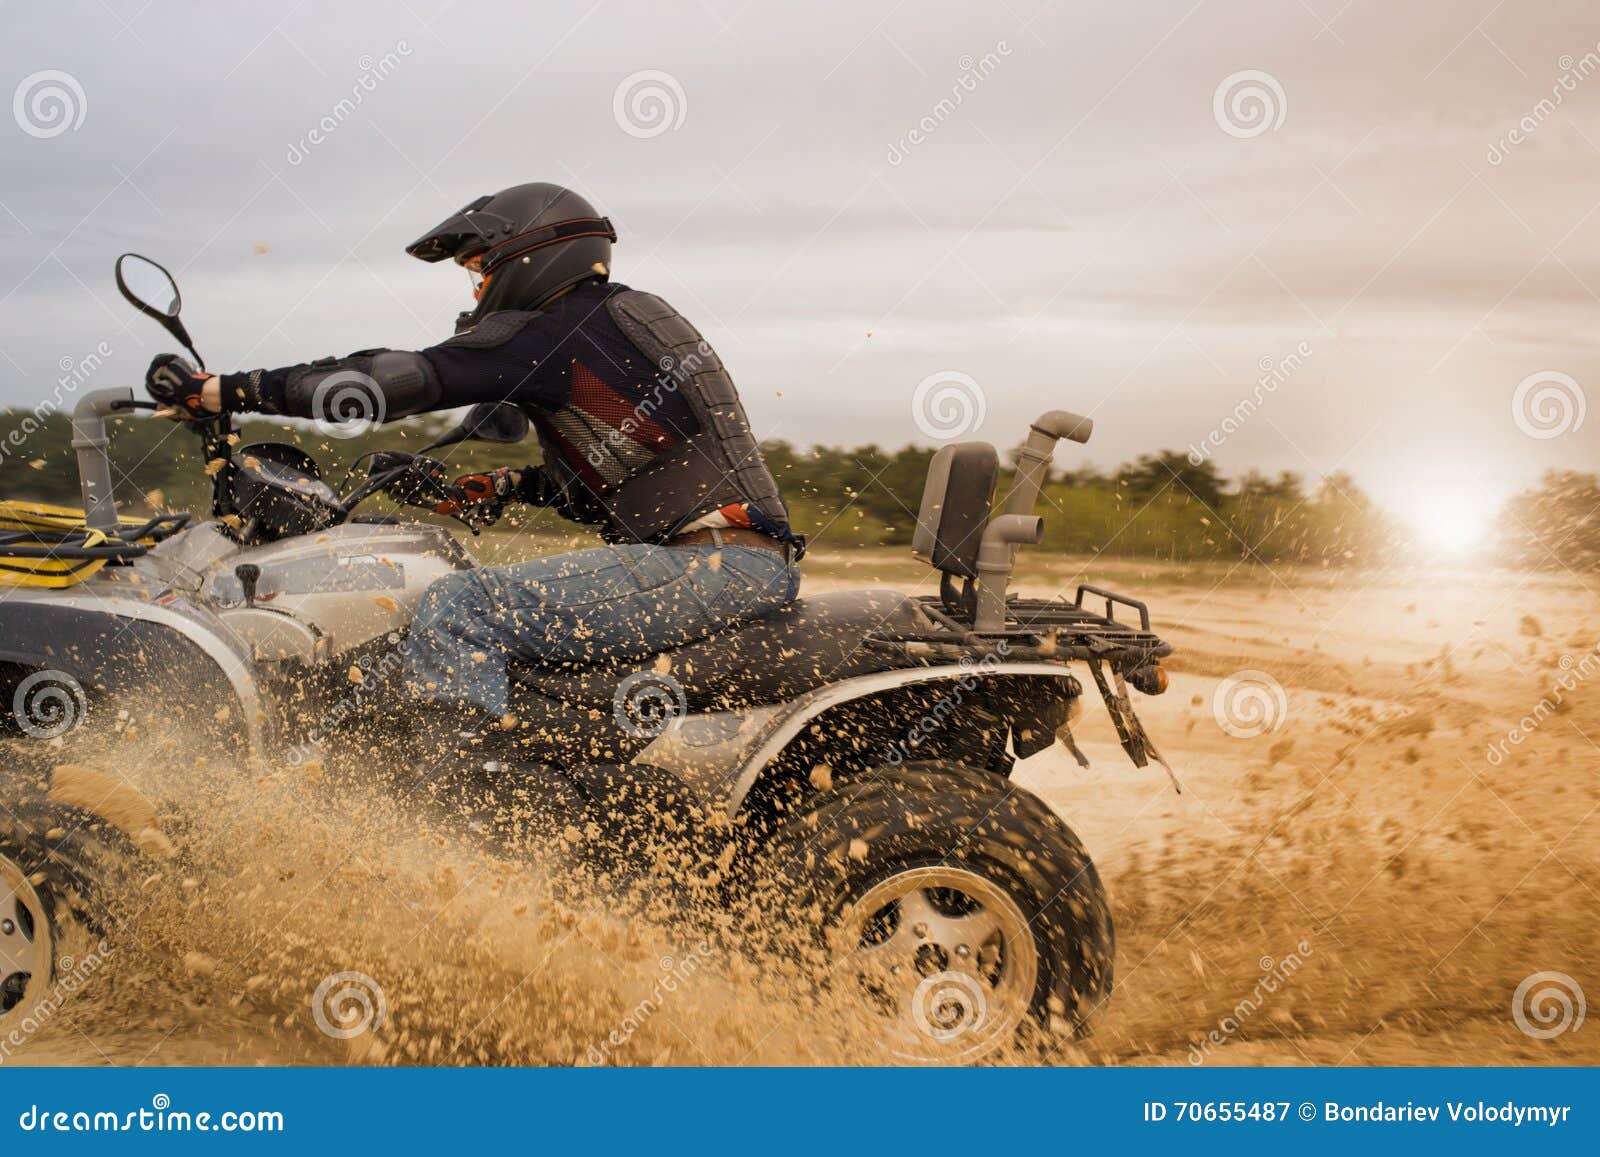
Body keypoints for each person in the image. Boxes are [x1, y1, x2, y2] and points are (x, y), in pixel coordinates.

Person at [145, 182, 803, 751]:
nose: (480, 285)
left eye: (481, 266)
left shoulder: (555, 330)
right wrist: (499, 487)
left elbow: (399, 379)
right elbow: (618, 477)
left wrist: (223, 390)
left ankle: (457, 797)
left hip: (710, 566)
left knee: (462, 607)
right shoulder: (610, 323)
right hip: (725, 560)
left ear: (531, 255)